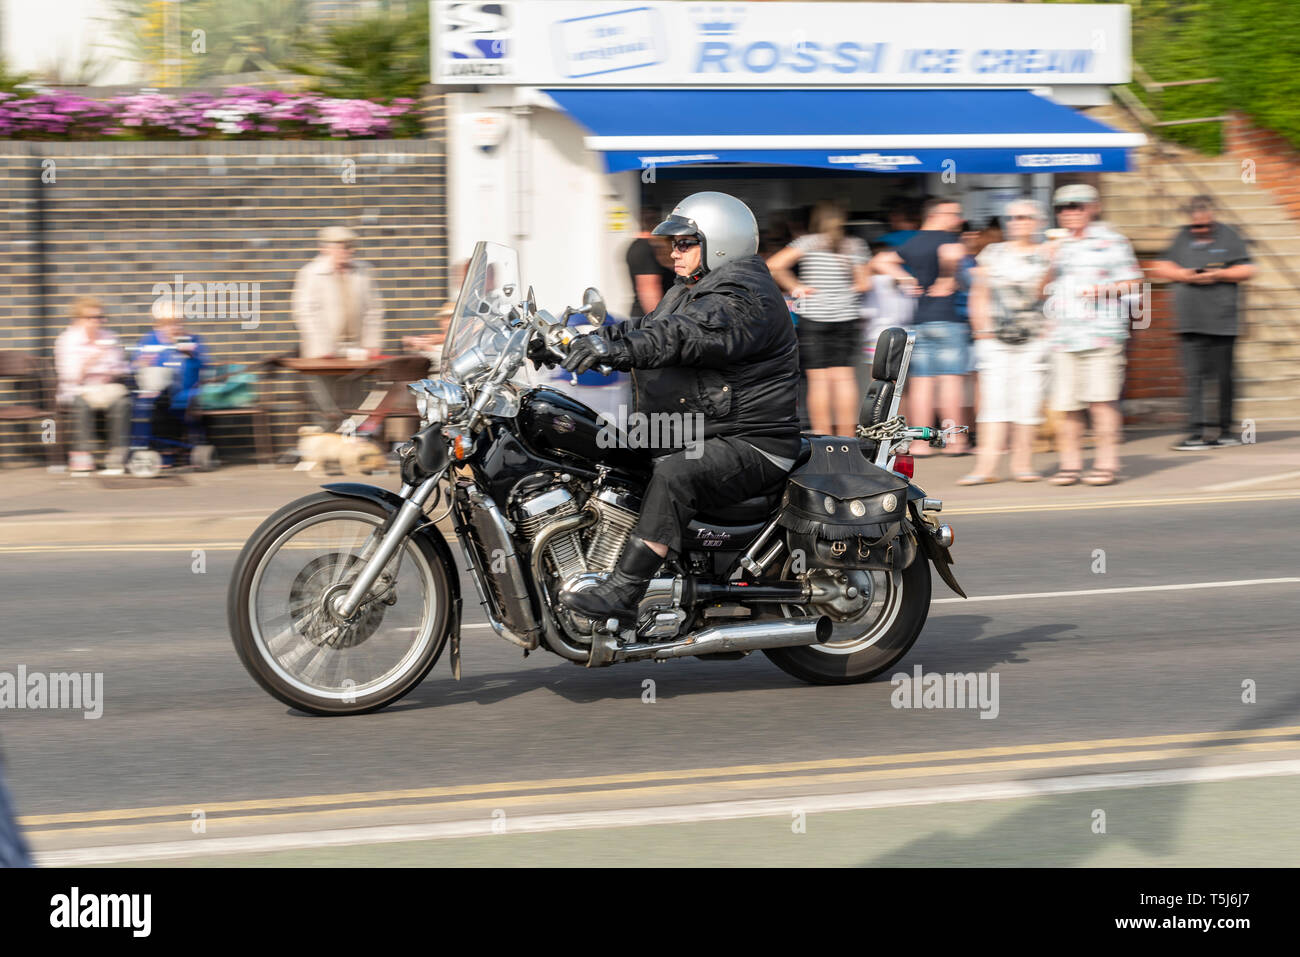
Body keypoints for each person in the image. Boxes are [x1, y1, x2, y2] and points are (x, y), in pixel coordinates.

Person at [541, 191, 800, 626]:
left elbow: (682, 336)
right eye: (672, 245)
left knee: (675, 474)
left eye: (685, 243)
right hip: (703, 427)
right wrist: (568, 335)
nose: (674, 253)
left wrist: (611, 349)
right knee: (596, 452)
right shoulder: (693, 288)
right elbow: (648, 327)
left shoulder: (742, 295)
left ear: (720, 242)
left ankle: (624, 592)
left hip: (750, 440)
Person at [1039, 183, 1143, 486]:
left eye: (1077, 205)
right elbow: (1040, 290)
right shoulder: (1056, 245)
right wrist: (1049, 260)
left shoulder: (1112, 241)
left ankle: (1106, 464)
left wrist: (1101, 290)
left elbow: (1134, 283)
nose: (1069, 212)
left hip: (1101, 333)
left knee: (1101, 402)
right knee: (1067, 406)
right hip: (1062, 335)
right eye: (1062, 207)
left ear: (1093, 207)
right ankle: (1070, 466)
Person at [1152, 195, 1255, 450]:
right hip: (1189, 320)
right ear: (1190, 221)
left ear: (1213, 219)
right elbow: (1159, 267)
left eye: (1206, 224)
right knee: (1193, 377)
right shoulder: (1181, 236)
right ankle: (1195, 433)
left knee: (1223, 377)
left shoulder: (1229, 235)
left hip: (1222, 320)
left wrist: (1219, 274)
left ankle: (1225, 431)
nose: (1201, 229)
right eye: (1197, 225)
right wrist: (1182, 275)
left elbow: (1248, 269)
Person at [961, 199, 1052, 484]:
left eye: (1024, 217)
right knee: (993, 402)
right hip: (995, 339)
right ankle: (985, 468)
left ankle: (1022, 465)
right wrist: (980, 330)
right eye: (1012, 218)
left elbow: (1047, 294)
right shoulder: (993, 252)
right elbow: (980, 293)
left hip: (1033, 338)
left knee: (1028, 400)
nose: (1017, 222)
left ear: (1038, 222)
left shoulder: (1046, 255)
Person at [872, 197, 970, 455]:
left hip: (920, 319)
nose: (958, 219)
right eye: (953, 213)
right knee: (949, 381)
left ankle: (920, 444)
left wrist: (905, 277)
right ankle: (953, 441)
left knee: (922, 383)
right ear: (937, 214)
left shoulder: (912, 243)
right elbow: (953, 254)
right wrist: (947, 277)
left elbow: (880, 260)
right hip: (948, 319)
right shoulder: (949, 240)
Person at [767, 200, 871, 435]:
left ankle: (824, 439)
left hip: (814, 318)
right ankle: (847, 437)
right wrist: (844, 291)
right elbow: (865, 284)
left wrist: (796, 286)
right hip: (846, 317)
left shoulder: (807, 243)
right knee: (844, 378)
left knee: (819, 381)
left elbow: (773, 265)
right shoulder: (856, 245)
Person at [292, 225, 386, 424]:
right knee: (326, 404)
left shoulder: (363, 271)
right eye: (341, 246)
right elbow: (305, 312)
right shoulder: (311, 273)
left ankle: (352, 445)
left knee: (354, 401)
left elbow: (373, 309)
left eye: (350, 246)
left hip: (355, 349)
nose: (347, 251)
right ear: (325, 248)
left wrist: (371, 342)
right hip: (323, 352)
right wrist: (323, 347)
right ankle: (328, 445)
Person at [54, 296, 131, 475]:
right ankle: (81, 455)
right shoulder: (67, 341)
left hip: (105, 390)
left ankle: (116, 456)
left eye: (100, 317)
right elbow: (70, 376)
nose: (97, 322)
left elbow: (121, 368)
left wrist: (110, 369)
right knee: (81, 403)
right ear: (79, 320)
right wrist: (92, 361)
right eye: (92, 318)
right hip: (77, 390)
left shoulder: (110, 338)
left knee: (123, 404)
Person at [134, 299, 210, 466]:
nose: (174, 327)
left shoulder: (192, 340)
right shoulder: (149, 340)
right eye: (168, 323)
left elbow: (203, 365)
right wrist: (142, 362)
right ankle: (159, 449)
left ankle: (168, 451)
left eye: (177, 322)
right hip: (157, 392)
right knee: (155, 399)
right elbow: (137, 366)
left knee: (170, 400)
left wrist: (190, 355)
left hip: (187, 391)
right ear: (159, 325)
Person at [626, 208, 677, 318]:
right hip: (650, 320)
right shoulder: (645, 249)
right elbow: (648, 290)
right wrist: (660, 323)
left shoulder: (644, 245)